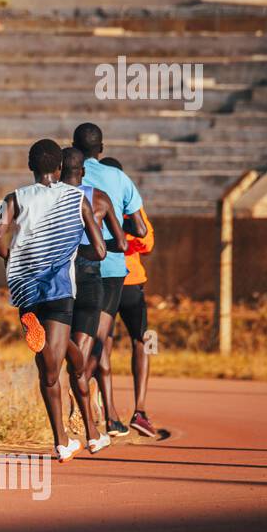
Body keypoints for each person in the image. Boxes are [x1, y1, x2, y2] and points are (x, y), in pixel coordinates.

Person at [0, 139, 106, 462]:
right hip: (59, 289)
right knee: (51, 370)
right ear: (59, 169)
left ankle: (68, 438)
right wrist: (65, 253)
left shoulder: (14, 198)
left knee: (52, 356)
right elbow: (100, 250)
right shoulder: (77, 198)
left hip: (26, 287)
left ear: (30, 167)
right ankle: (62, 440)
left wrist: (16, 257)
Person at [72, 123, 147, 438]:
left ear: (74, 147)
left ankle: (97, 413)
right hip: (113, 268)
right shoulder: (118, 178)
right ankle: (82, 407)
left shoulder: (70, 175)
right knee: (98, 341)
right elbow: (141, 230)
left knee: (80, 338)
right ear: (101, 149)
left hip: (74, 264)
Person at [60, 146, 126, 453]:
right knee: (83, 355)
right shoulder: (98, 198)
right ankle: (89, 421)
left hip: (58, 276)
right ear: (83, 171)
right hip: (89, 275)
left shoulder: (50, 195)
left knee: (59, 347)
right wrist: (96, 241)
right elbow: (122, 242)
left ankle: (59, 355)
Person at [99, 156, 157, 438]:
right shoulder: (128, 202)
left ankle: (114, 412)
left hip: (110, 280)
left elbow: (147, 241)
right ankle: (136, 411)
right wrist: (127, 242)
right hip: (128, 280)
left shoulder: (94, 201)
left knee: (107, 342)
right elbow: (146, 241)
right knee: (137, 341)